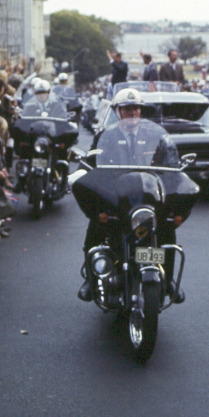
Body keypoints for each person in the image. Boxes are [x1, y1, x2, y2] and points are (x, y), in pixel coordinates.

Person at [78, 89, 180, 303]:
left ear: (141, 110)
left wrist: (174, 173)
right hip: (117, 196)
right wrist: (86, 170)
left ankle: (168, 278)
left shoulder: (156, 135)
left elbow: (171, 164)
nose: (132, 112)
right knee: (96, 225)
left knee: (166, 228)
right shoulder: (105, 136)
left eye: (135, 108)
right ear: (118, 111)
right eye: (126, 108)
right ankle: (90, 277)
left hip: (147, 197)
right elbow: (93, 163)